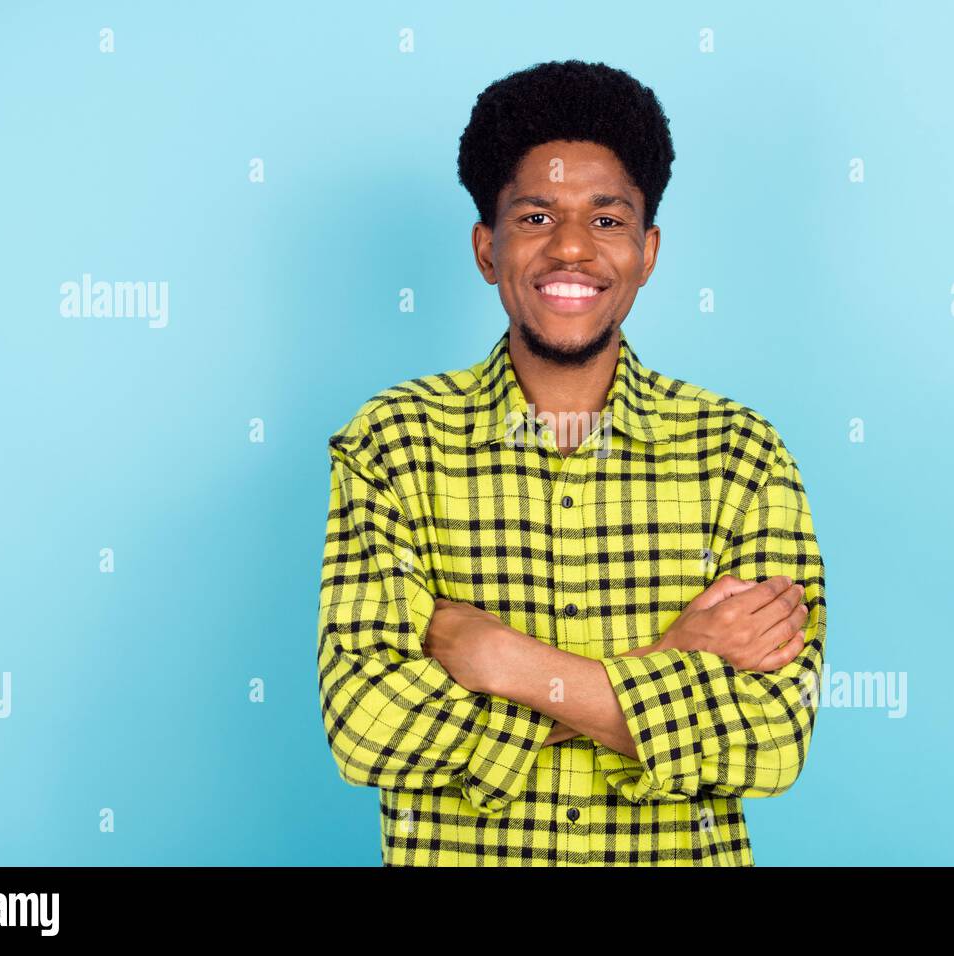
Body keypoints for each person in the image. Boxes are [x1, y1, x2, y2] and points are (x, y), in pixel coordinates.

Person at [317, 59, 826, 866]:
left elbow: (769, 740)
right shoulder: (394, 444)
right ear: (487, 248)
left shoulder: (742, 454)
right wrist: (674, 662)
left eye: (608, 220)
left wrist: (500, 661)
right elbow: (367, 726)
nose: (571, 250)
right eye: (535, 217)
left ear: (648, 250)